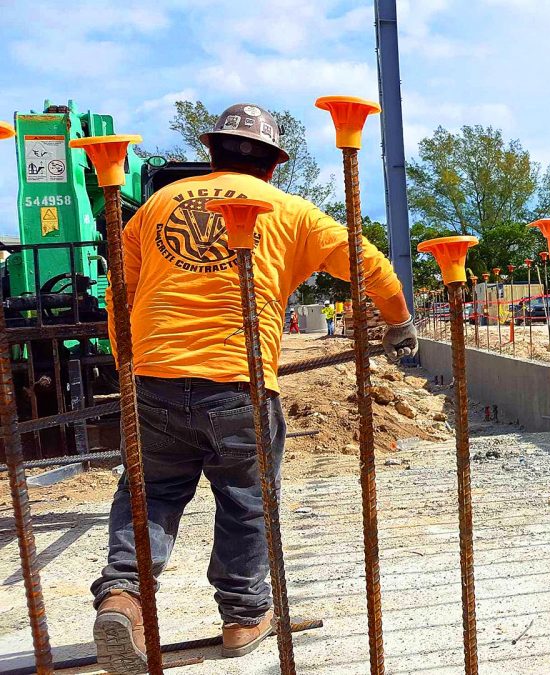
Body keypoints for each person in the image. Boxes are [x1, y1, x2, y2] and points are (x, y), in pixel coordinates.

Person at [90, 103, 419, 674]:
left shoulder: (153, 209)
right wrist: (398, 319)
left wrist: (129, 368)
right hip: (239, 383)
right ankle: (244, 618)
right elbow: (368, 262)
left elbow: (122, 293)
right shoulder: (290, 210)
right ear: (271, 167)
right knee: (246, 501)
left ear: (210, 154)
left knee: (153, 493)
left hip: (154, 378)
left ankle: (123, 596)